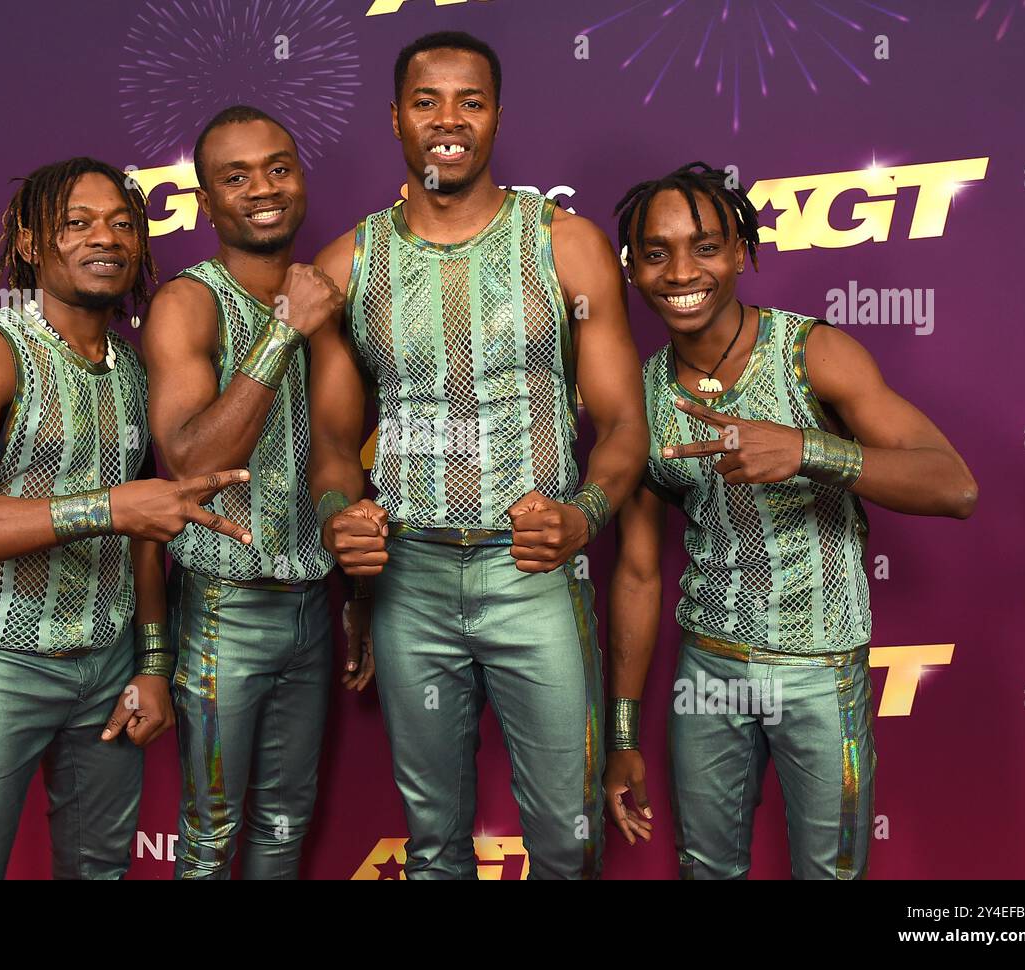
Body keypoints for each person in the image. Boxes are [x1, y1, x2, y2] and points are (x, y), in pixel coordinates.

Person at [308, 32, 648, 879]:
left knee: (568, 839)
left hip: (533, 571)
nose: (448, 121)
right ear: (395, 118)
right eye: (427, 102)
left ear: (498, 115)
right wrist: (334, 518)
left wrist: (584, 517)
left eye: (471, 101)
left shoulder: (564, 245)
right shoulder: (348, 265)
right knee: (434, 845)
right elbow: (331, 447)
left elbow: (623, 426)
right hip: (410, 579)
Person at [604, 162, 978, 879]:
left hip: (819, 672)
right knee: (704, 870)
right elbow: (638, 570)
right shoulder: (640, 394)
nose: (682, 270)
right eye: (656, 253)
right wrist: (622, 731)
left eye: (707, 247)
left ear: (743, 252)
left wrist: (808, 450)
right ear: (632, 270)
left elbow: (954, 486)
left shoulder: (812, 354)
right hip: (708, 671)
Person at [0, 157, 250, 879]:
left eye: (125, 224)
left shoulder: (130, 367)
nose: (109, 238)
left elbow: (146, 532)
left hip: (107, 670)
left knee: (98, 871)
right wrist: (109, 506)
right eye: (78, 223)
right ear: (32, 244)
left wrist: (152, 666)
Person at [142, 106, 367, 880]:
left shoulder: (328, 308)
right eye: (235, 177)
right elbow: (191, 456)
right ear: (206, 202)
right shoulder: (187, 303)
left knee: (284, 828)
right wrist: (284, 330)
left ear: (301, 178)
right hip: (220, 610)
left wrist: (355, 586)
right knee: (209, 838)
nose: (263, 188)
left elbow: (336, 458)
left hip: (309, 605)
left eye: (278, 167)